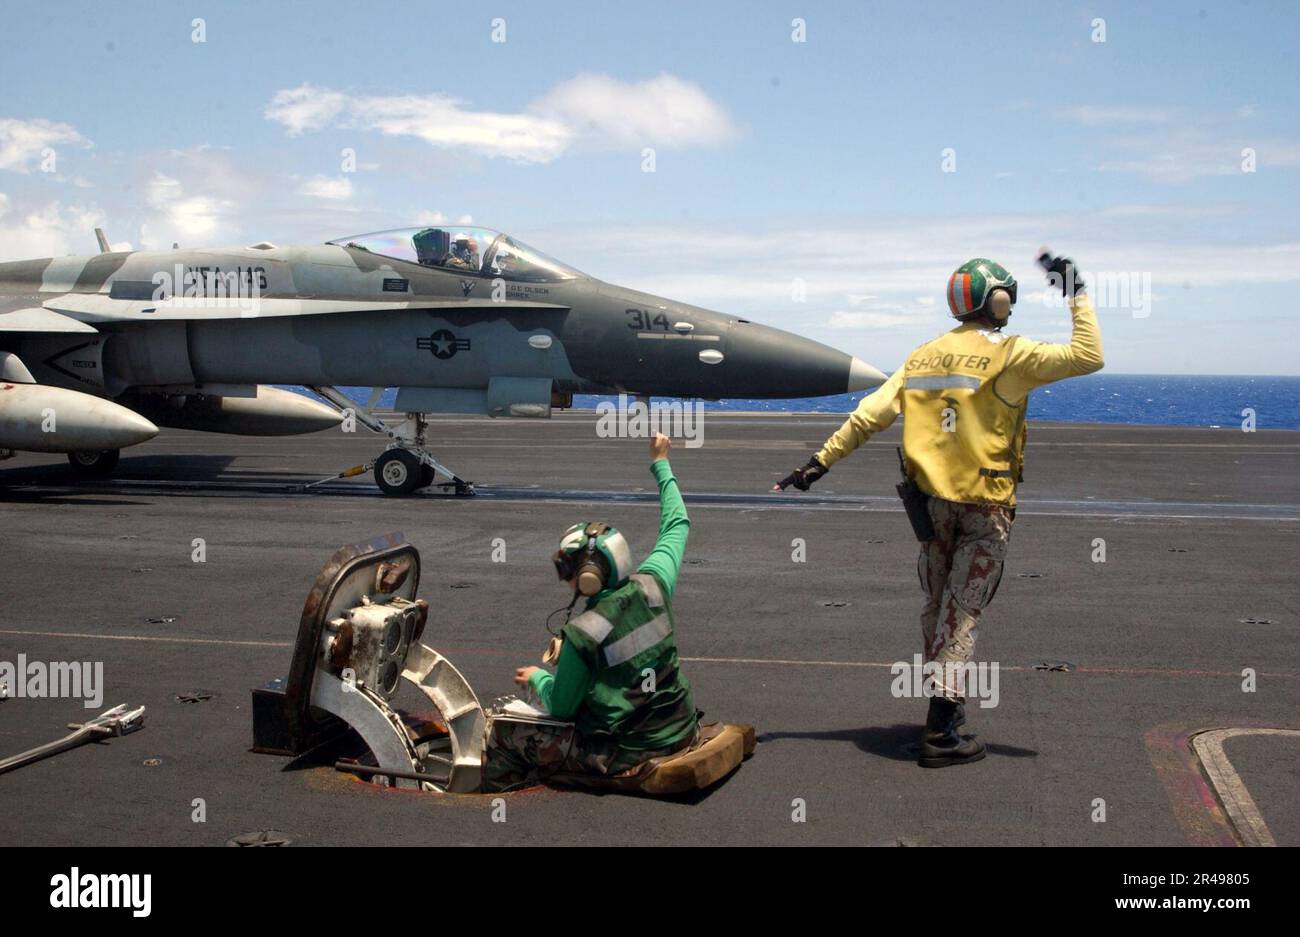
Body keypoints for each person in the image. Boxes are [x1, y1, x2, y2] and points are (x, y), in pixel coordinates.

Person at [774, 251, 1103, 767]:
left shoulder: (922, 356)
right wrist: (1076, 291)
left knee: (936, 606)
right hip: (984, 506)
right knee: (964, 609)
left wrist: (816, 465)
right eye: (1007, 297)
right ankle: (942, 731)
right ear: (994, 300)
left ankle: (941, 715)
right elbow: (1089, 355)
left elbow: (867, 417)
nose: (1009, 307)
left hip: (930, 509)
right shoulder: (1012, 354)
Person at [482, 432, 699, 791]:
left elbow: (562, 708)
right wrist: (661, 462)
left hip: (632, 751)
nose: (567, 581)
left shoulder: (584, 633)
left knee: (504, 735)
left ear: (588, 578)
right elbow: (677, 524)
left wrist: (538, 678)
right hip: (682, 728)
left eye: (569, 572)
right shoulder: (654, 583)